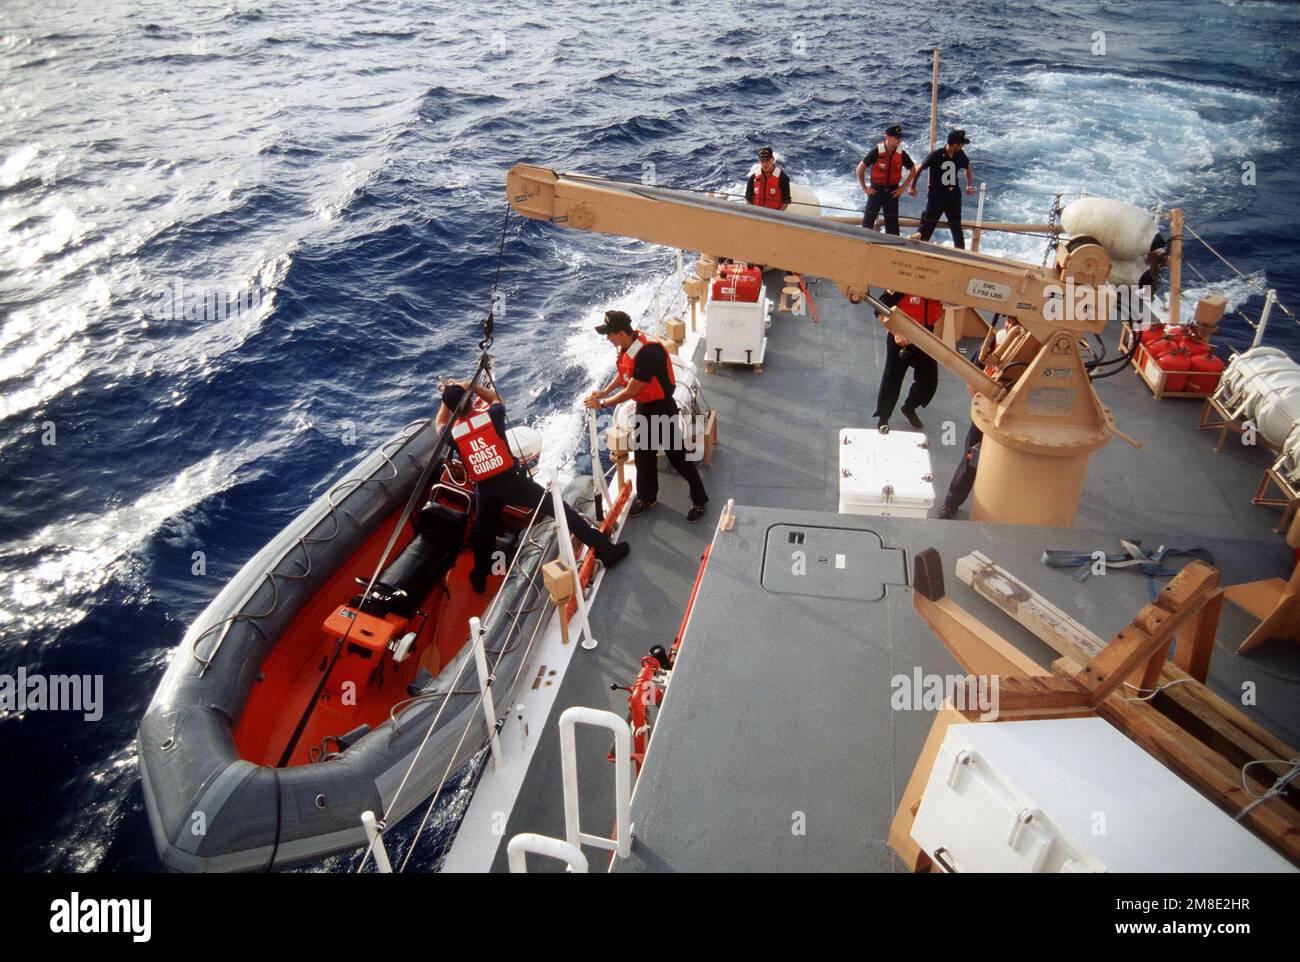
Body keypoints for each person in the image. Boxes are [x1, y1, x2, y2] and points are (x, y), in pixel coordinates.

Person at [437, 381, 629, 592]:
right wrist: (470, 386)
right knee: (560, 509)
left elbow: (440, 424)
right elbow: (495, 398)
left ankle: (481, 577)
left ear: (452, 409)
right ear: (472, 400)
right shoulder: (491, 416)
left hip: (486, 491)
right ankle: (604, 549)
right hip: (513, 482)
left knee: (485, 534)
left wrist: (447, 399)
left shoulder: (453, 434)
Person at [583, 310, 709, 522]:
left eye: (610, 334)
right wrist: (604, 391)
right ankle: (647, 498)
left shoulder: (647, 354)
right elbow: (624, 373)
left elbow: (631, 390)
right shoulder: (628, 346)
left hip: (662, 409)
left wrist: (602, 403)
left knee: (677, 457)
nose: (608, 338)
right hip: (646, 407)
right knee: (643, 456)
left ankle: (699, 499)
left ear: (621, 333)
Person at [935, 316, 1019, 519]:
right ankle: (951, 501)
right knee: (972, 456)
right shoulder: (995, 341)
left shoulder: (1033, 350)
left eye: (1014, 322)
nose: (1009, 325)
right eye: (1009, 320)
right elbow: (973, 374)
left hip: (1018, 413)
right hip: (989, 411)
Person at [873, 289, 939, 430]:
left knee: (930, 380)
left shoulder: (936, 286)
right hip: (901, 337)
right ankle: (883, 419)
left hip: (925, 335)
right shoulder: (903, 286)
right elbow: (879, 308)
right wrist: (896, 332)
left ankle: (909, 407)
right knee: (892, 380)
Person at [906, 129, 975, 249]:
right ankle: (918, 245)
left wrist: (969, 185)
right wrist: (912, 186)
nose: (962, 146)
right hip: (937, 196)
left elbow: (967, 168)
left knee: (956, 226)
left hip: (953, 196)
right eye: (961, 144)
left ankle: (961, 252)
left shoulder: (960, 154)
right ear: (955, 144)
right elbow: (919, 168)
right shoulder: (936, 155)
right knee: (928, 223)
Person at [857, 125, 916, 236]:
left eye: (899, 137)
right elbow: (860, 169)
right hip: (876, 192)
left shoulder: (901, 154)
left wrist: (903, 187)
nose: (898, 140)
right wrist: (865, 188)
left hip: (892, 193)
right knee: (867, 224)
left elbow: (913, 169)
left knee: (893, 228)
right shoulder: (876, 152)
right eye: (895, 137)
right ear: (887, 137)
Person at [746, 146, 791, 211]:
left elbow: (785, 202)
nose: (764, 164)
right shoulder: (752, 178)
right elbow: (748, 200)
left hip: (774, 215)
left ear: (773, 159)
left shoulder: (783, 178)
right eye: (762, 161)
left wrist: (777, 215)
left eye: (767, 160)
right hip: (756, 214)